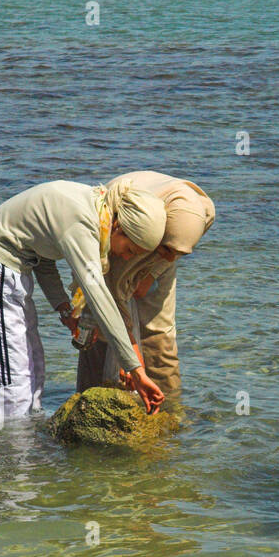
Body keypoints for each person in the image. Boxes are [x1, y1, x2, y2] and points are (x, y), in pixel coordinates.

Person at [0, 179, 166, 418]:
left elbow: (42, 253)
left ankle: (28, 445)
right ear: (119, 226)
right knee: (10, 382)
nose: (124, 255)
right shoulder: (82, 221)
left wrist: (63, 307)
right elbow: (99, 297)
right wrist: (136, 370)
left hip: (14, 268)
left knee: (33, 370)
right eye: (130, 249)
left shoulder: (94, 207)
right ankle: (9, 449)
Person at [74, 170, 215, 398]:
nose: (172, 257)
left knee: (159, 333)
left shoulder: (199, 213)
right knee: (99, 327)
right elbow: (115, 302)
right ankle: (87, 399)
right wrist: (132, 361)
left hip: (162, 238)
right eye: (169, 251)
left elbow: (175, 250)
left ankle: (166, 407)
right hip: (118, 238)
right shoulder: (133, 232)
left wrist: (152, 272)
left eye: (177, 253)